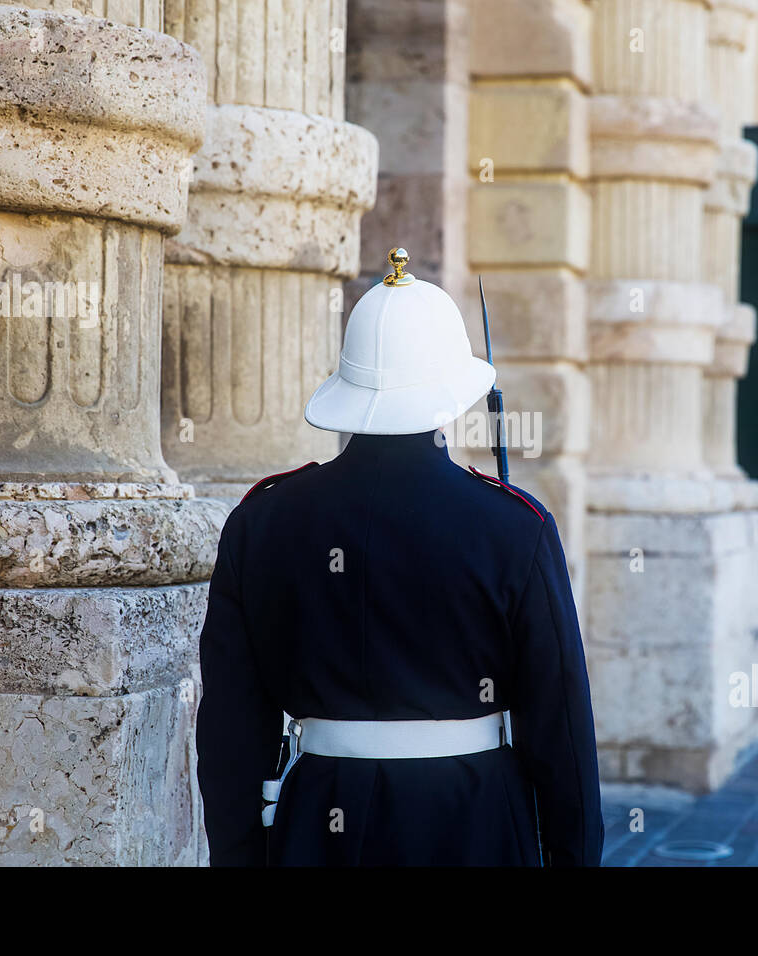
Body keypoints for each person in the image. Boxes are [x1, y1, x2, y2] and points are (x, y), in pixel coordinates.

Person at [195, 247, 604, 866]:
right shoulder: (514, 527)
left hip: (316, 826)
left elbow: (230, 729)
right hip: (474, 822)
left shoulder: (262, 520)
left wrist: (242, 855)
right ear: (452, 395)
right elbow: (561, 727)